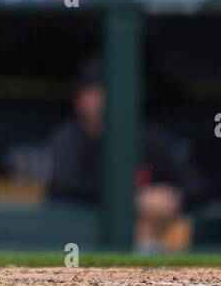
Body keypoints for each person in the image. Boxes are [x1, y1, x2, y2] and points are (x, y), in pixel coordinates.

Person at [47, 62, 202, 251]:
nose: (103, 100)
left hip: (149, 242)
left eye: (109, 91)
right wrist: (134, 201)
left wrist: (173, 198)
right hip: (75, 243)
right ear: (80, 100)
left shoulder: (151, 139)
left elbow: (196, 185)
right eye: (95, 92)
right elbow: (68, 185)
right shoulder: (68, 138)